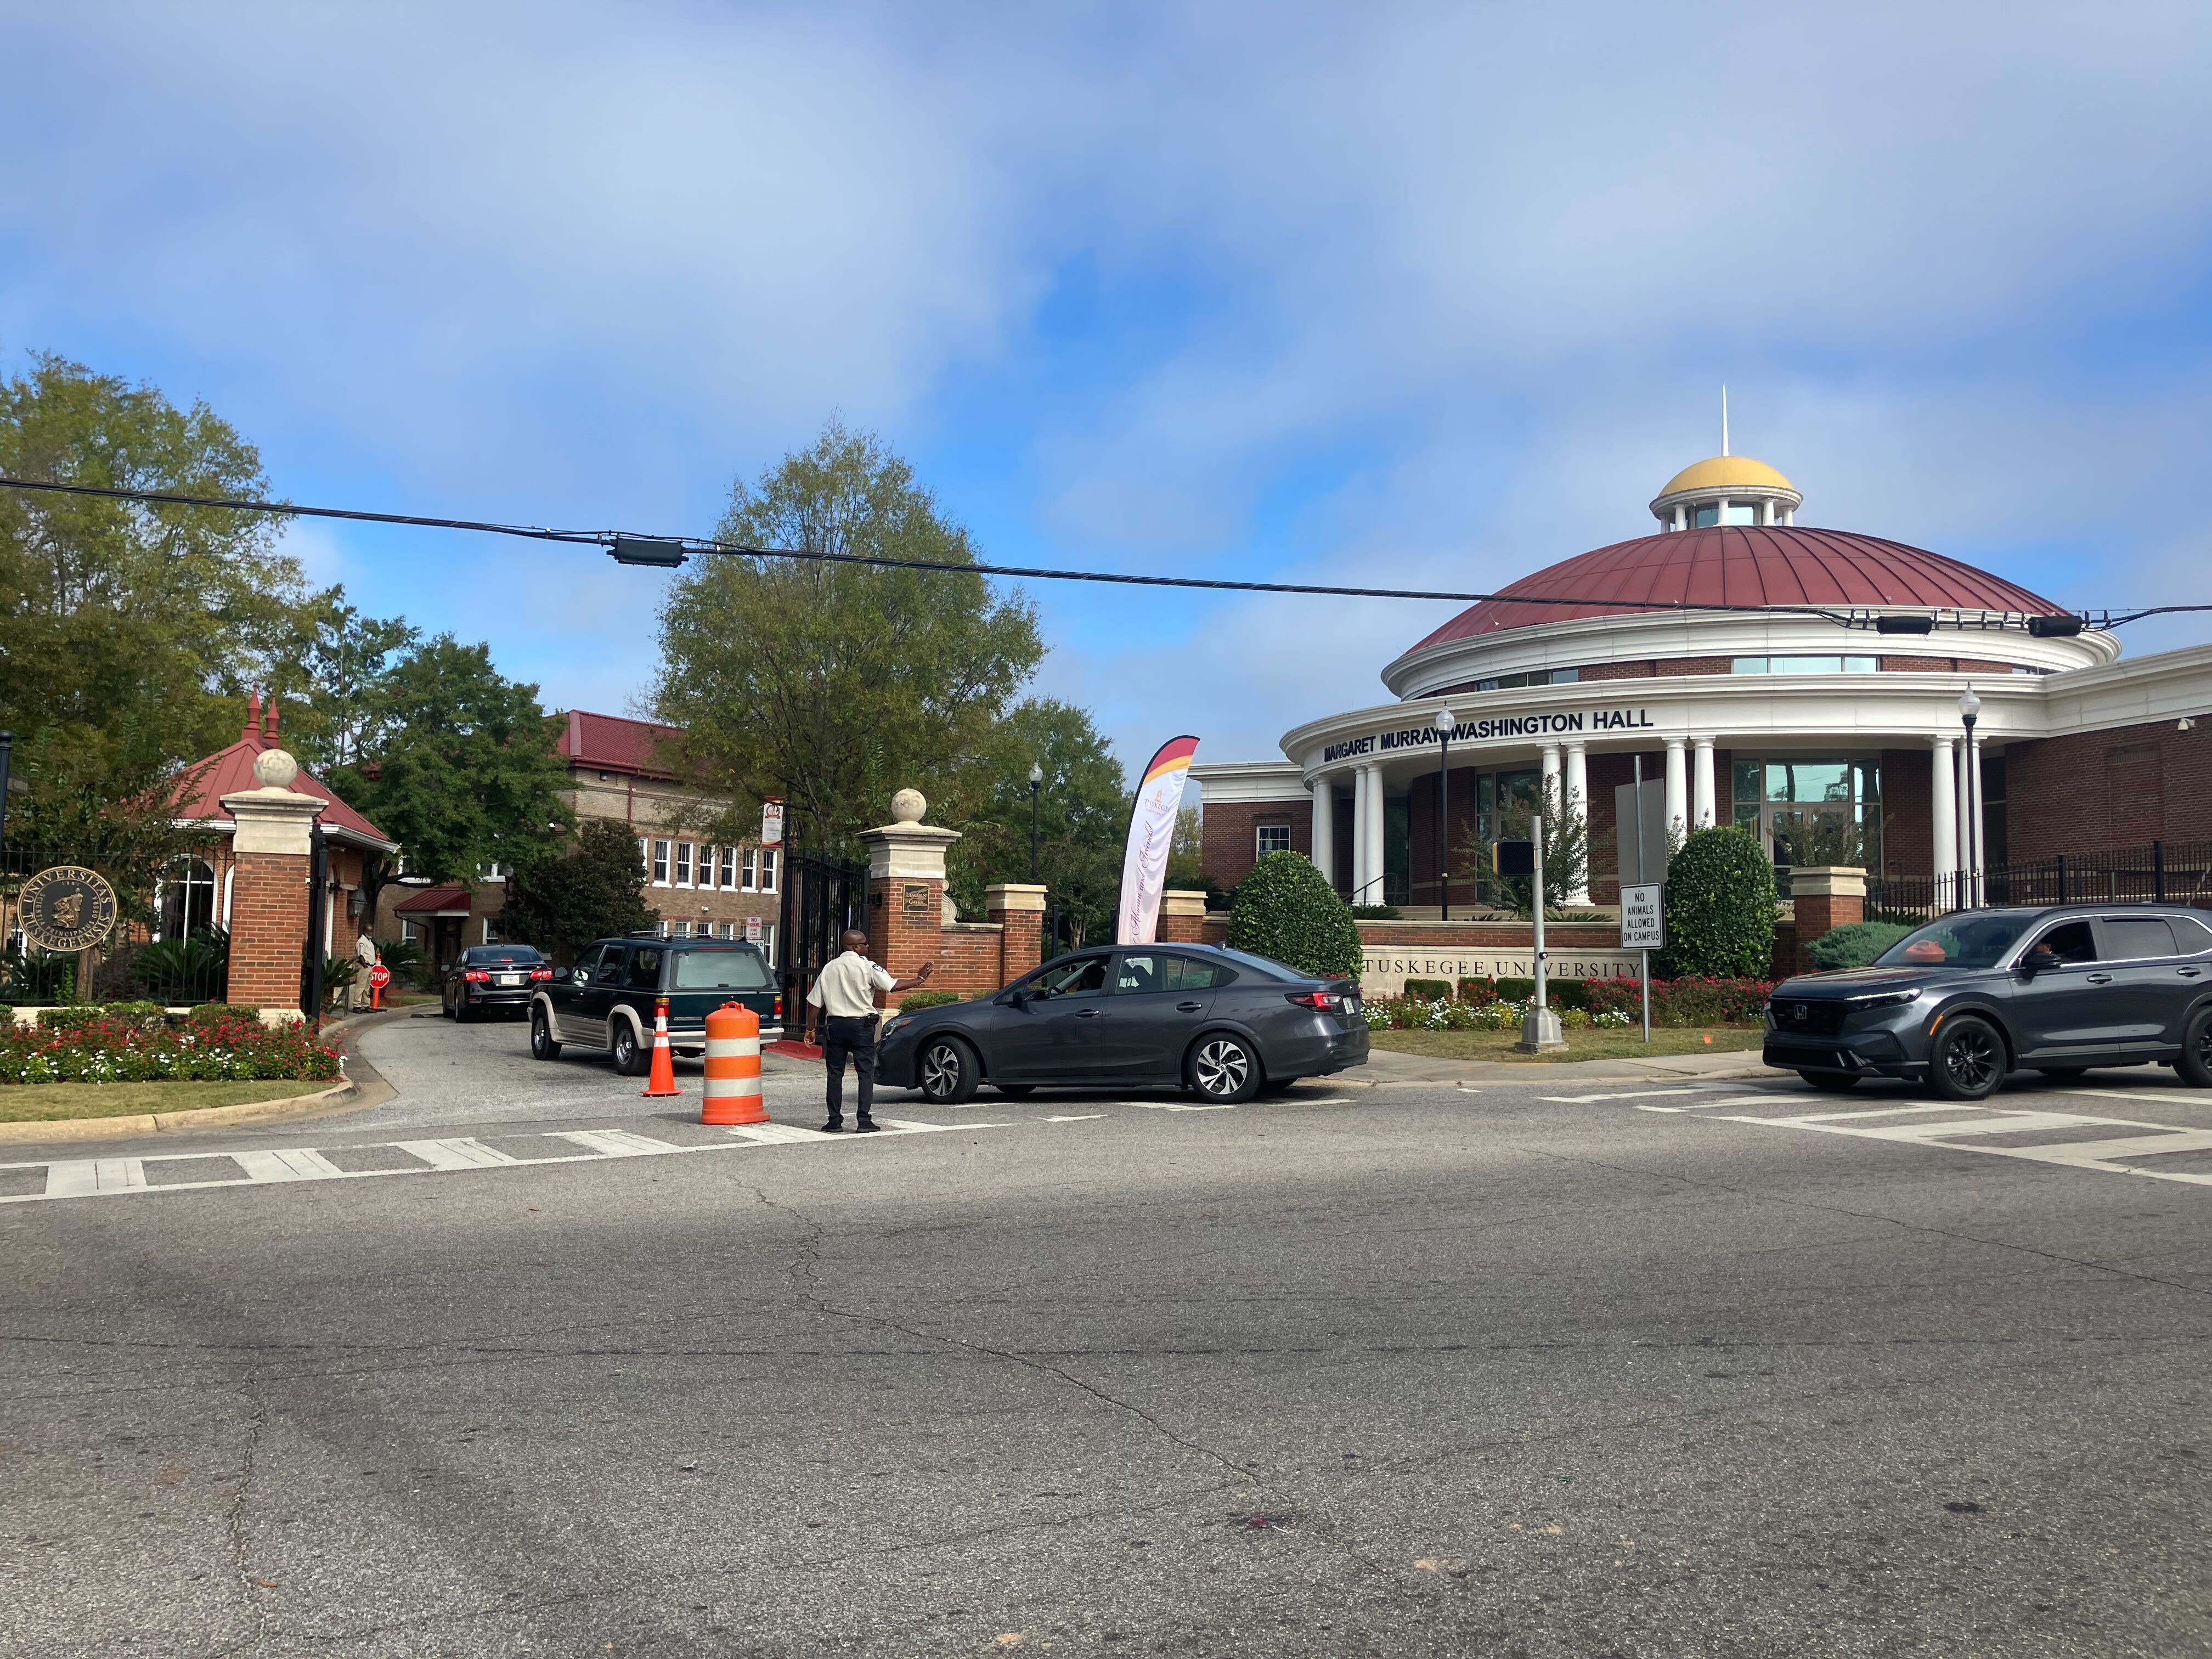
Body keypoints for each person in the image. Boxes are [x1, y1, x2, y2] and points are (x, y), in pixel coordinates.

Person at [805, 930, 932, 1133]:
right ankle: (864, 1120)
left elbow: (814, 1003)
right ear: (855, 947)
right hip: (861, 1026)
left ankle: (834, 1121)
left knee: (835, 1074)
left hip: (835, 1026)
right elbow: (892, 986)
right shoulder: (867, 966)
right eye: (864, 944)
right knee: (865, 1073)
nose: (868, 947)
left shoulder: (829, 968)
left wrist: (810, 1029)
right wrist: (920, 979)